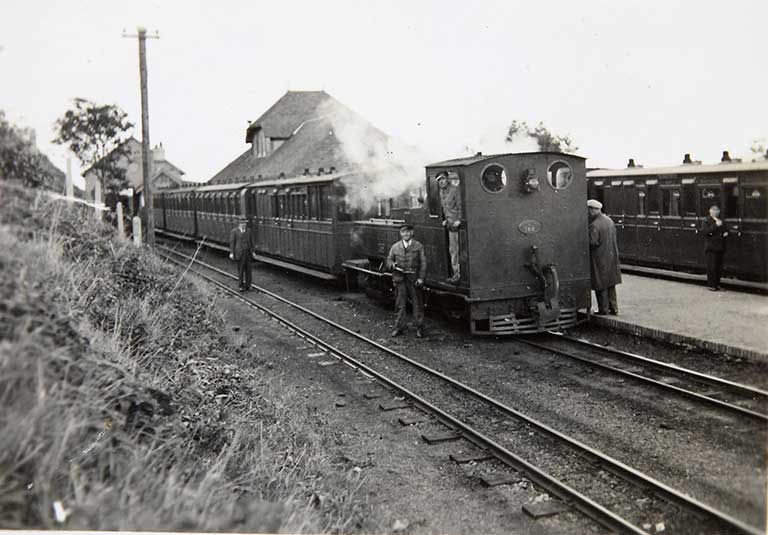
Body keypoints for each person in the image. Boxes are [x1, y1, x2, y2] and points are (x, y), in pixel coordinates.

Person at [386, 223, 427, 337]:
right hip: (400, 279)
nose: (406, 234)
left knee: (417, 304)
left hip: (414, 279)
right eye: (403, 232)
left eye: (408, 231)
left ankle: (419, 328)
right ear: (400, 233)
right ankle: (399, 327)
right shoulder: (395, 247)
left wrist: (421, 278)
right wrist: (392, 265)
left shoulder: (418, 246)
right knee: (400, 305)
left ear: (412, 232)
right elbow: (388, 260)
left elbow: (423, 264)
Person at [587, 199, 622, 315]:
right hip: (611, 256)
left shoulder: (594, 225)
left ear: (592, 210)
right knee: (611, 283)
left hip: (599, 258)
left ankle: (603, 309)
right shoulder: (609, 221)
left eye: (588, 210)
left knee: (600, 284)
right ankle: (614, 308)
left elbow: (592, 242)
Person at [437, 173, 463, 283]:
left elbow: (460, 205)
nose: (441, 181)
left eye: (443, 179)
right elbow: (445, 208)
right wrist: (445, 219)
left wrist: (460, 220)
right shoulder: (441, 192)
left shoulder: (455, 190)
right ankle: (456, 273)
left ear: (447, 179)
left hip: (457, 224)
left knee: (457, 250)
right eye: (439, 180)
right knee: (453, 250)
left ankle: (458, 275)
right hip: (449, 224)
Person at [701, 205, 729, 291]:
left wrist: (726, 233)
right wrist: (716, 225)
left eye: (717, 210)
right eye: (713, 210)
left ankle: (717, 285)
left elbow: (727, 230)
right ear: (710, 211)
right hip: (711, 248)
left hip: (720, 247)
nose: (715, 212)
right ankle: (711, 285)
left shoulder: (721, 220)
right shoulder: (706, 220)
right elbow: (705, 231)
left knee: (718, 268)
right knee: (711, 267)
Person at [229, 217, 257, 292]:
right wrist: (231, 253)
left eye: (245, 223)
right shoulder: (234, 232)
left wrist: (253, 252)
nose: (244, 224)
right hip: (239, 254)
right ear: (239, 224)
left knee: (249, 270)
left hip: (248, 253)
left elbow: (252, 242)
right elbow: (232, 243)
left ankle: (249, 285)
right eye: (242, 223)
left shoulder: (249, 231)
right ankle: (241, 286)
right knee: (240, 270)